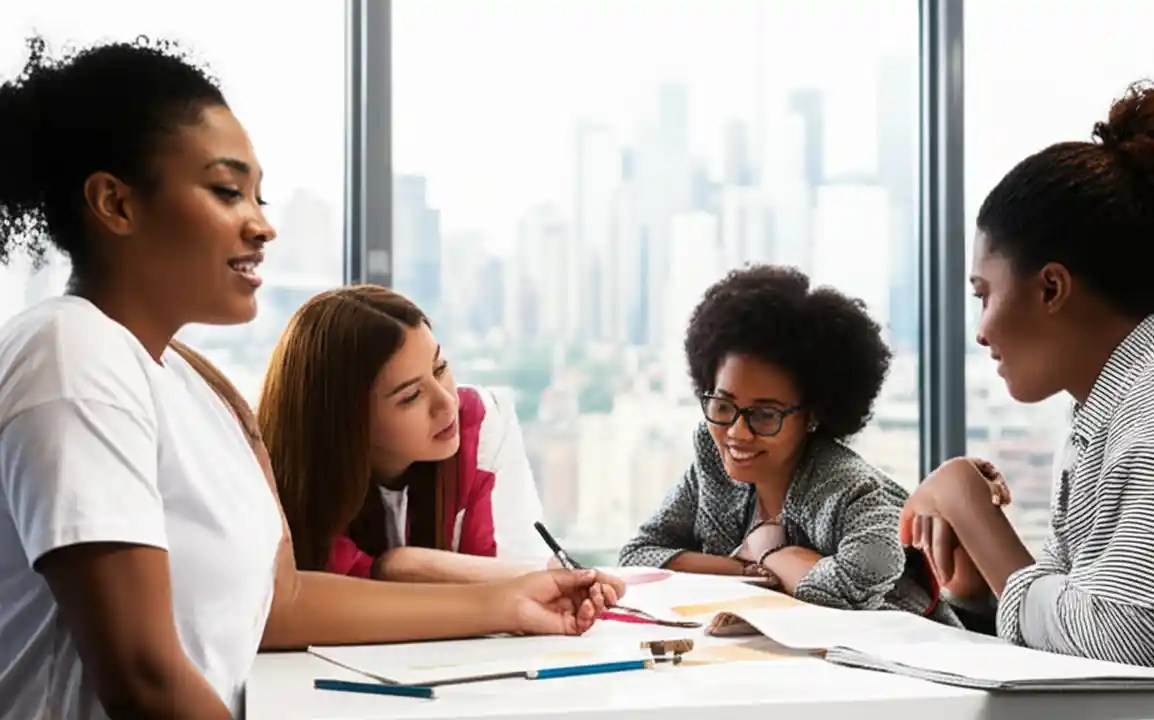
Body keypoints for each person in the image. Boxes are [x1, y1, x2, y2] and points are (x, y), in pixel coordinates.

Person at [0, 38, 615, 720]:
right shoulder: (71, 352)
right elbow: (143, 678)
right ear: (115, 204)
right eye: (228, 191)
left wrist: (506, 601)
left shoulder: (194, 387)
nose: (262, 226)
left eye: (258, 196)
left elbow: (279, 603)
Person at [901, 82, 1154, 719]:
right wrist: (980, 593)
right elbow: (1076, 623)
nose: (981, 330)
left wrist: (975, 513)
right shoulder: (1111, 402)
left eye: (983, 293)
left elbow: (1134, 647)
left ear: (1051, 287)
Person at [619, 265, 957, 623]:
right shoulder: (713, 459)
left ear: (812, 414)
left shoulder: (850, 487)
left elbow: (852, 589)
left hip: (912, 663)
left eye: (765, 415)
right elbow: (639, 555)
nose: (737, 432)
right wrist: (746, 568)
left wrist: (771, 554)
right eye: (723, 405)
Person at [258, 285, 617, 590]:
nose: (448, 403)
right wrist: (399, 568)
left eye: (440, 368)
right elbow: (312, 594)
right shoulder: (284, 479)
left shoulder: (480, 422)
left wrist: (403, 566)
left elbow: (524, 575)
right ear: (346, 422)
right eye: (411, 396)